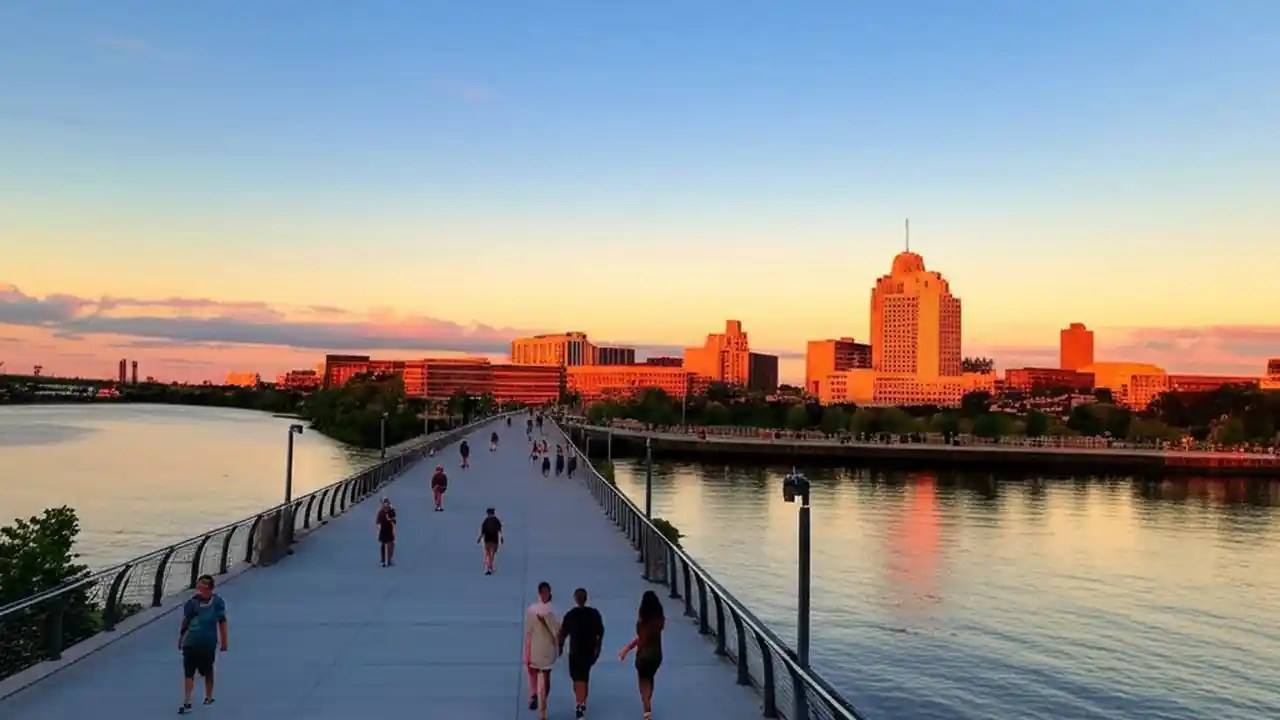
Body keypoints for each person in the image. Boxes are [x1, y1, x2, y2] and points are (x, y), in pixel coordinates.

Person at [177, 574, 228, 715]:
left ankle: (209, 696)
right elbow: (185, 621)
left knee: (207, 671)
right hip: (191, 642)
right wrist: (181, 638)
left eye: (203, 588)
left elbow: (222, 622)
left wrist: (224, 641)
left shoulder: (217, 602)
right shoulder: (192, 603)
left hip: (208, 643)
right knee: (189, 672)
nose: (200, 590)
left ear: (211, 589)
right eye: (198, 587)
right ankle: (187, 701)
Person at [558, 588, 604, 719]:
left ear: (575, 599)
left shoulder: (571, 614)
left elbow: (563, 633)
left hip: (576, 651)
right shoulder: (594, 614)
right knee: (583, 678)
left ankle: (580, 705)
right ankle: (581, 702)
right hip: (589, 651)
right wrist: (598, 650)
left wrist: (560, 647)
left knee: (579, 679)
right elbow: (599, 634)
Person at [619, 590, 665, 720]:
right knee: (650, 678)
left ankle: (647, 709)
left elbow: (641, 639)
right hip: (657, 654)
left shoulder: (642, 622)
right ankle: (648, 702)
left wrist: (627, 649)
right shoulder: (659, 621)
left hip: (643, 655)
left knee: (643, 681)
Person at [524, 581, 561, 720]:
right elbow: (558, 630)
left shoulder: (532, 609)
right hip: (548, 648)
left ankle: (535, 695)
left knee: (534, 672)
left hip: (535, 647)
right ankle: (542, 706)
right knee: (546, 675)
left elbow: (528, 631)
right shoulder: (553, 610)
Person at [477, 507, 503, 574]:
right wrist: (502, 538)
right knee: (492, 554)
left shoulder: (486, 521)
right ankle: (490, 567)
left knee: (487, 554)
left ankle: (488, 567)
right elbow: (500, 530)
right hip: (494, 540)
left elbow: (483, 531)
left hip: (487, 539)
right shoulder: (496, 521)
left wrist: (480, 538)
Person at [375, 497, 397, 567]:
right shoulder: (382, 512)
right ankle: (386, 559)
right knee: (387, 544)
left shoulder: (389, 511)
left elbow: (393, 517)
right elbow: (378, 521)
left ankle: (386, 559)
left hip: (387, 529)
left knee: (388, 544)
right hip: (385, 529)